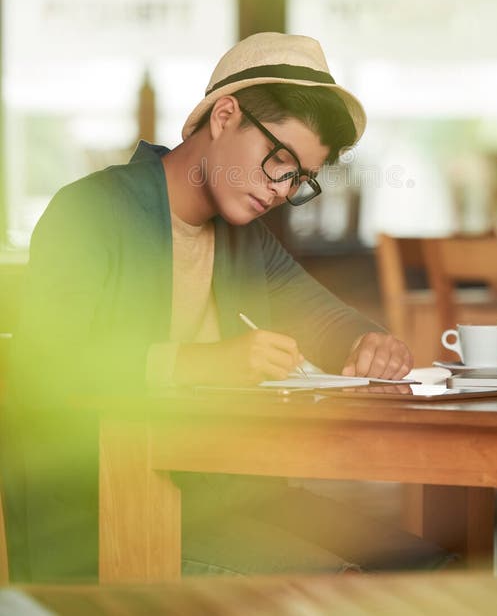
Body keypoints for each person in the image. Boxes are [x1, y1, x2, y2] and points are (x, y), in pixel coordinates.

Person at [5, 32, 449, 579]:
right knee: (340, 587)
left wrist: (368, 343)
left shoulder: (246, 241)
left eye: (300, 179)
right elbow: (46, 370)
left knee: (431, 567)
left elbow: (325, 319)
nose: (282, 189)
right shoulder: (91, 211)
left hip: (223, 496)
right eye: (277, 161)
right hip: (106, 508)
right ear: (224, 116)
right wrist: (205, 362)